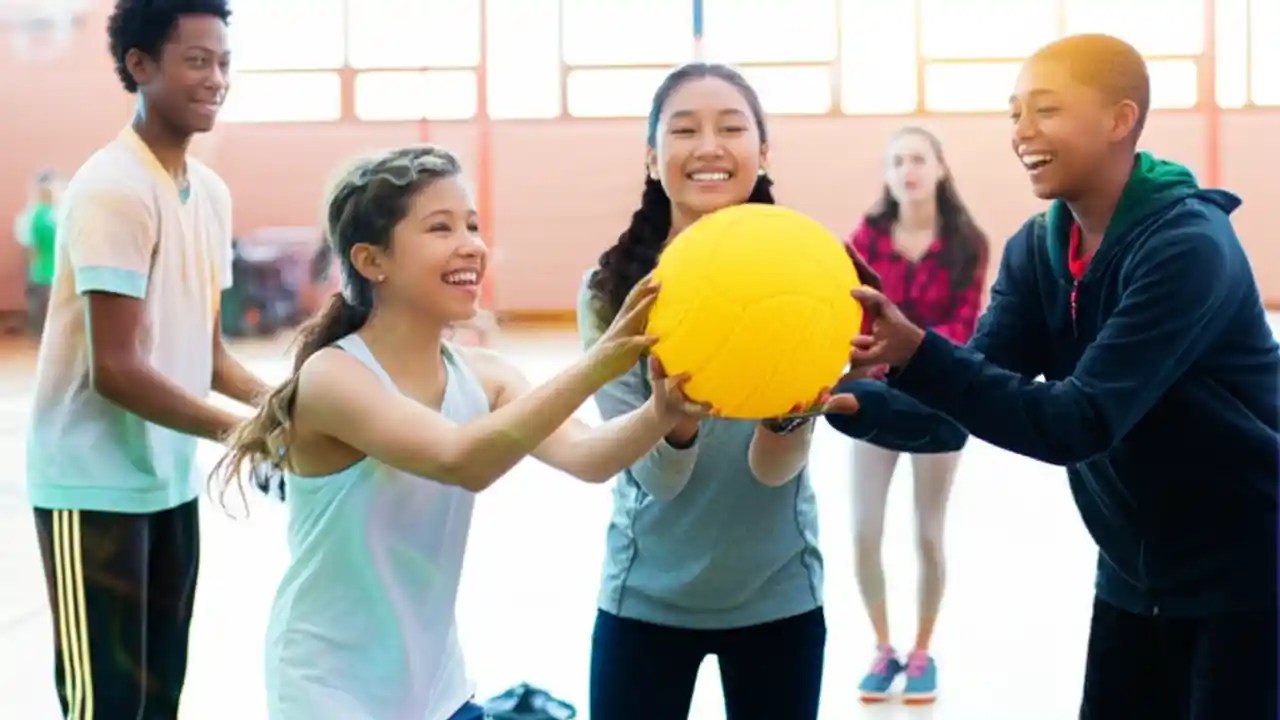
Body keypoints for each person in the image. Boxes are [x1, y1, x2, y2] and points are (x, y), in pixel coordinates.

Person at [831, 34, 1279, 719]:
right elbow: (961, 404)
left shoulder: (1188, 247)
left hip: (1248, 576)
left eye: (1045, 110)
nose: (1021, 133)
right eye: (1014, 114)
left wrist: (919, 353)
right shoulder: (1036, 251)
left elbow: (1079, 420)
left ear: (1119, 120)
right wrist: (836, 398)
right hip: (1133, 572)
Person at [211, 144, 704, 720]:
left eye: (472, 224)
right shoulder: (334, 379)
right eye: (440, 228)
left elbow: (589, 457)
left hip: (439, 691)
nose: (471, 243)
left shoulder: (484, 377)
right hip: (329, 692)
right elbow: (460, 459)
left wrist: (663, 412)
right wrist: (598, 364)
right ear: (373, 262)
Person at [578, 62, 969, 720]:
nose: (709, 145)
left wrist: (790, 416)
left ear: (762, 153)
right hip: (643, 596)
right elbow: (657, 480)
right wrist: (670, 420)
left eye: (732, 127)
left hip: (778, 596)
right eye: (684, 130)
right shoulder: (613, 291)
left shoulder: (816, 274)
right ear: (653, 157)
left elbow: (772, 470)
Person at [25, 2, 270, 718]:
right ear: (140, 66)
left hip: (169, 483)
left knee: (160, 695)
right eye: (197, 60)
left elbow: (210, 353)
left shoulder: (211, 194)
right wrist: (252, 437)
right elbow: (119, 368)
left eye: (224, 62)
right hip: (91, 490)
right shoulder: (113, 188)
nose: (216, 79)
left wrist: (285, 407)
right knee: (106, 705)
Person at [845, 126, 989, 704]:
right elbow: (854, 321)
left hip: (939, 399)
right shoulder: (864, 240)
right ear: (888, 173)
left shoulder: (966, 242)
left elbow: (965, 325)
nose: (908, 170)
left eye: (918, 159)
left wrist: (911, 355)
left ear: (939, 168)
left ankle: (922, 649)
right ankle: (884, 649)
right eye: (897, 160)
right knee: (864, 531)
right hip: (876, 396)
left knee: (928, 533)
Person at [13, 169, 60, 336]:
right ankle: (39, 332)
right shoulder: (32, 215)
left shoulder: (57, 212)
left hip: (54, 268)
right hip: (41, 268)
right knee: (40, 302)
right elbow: (28, 245)